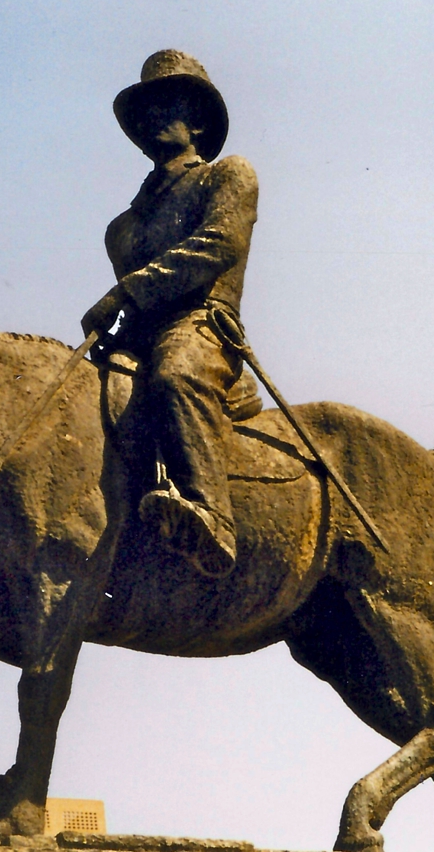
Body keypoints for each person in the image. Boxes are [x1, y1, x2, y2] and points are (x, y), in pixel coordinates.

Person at [82, 50, 259, 578]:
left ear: (197, 122)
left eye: (168, 106)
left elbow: (219, 243)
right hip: (139, 336)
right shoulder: (121, 227)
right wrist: (111, 330)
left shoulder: (227, 175)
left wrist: (125, 293)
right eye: (146, 112)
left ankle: (213, 516)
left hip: (199, 327)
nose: (153, 119)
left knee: (176, 375)